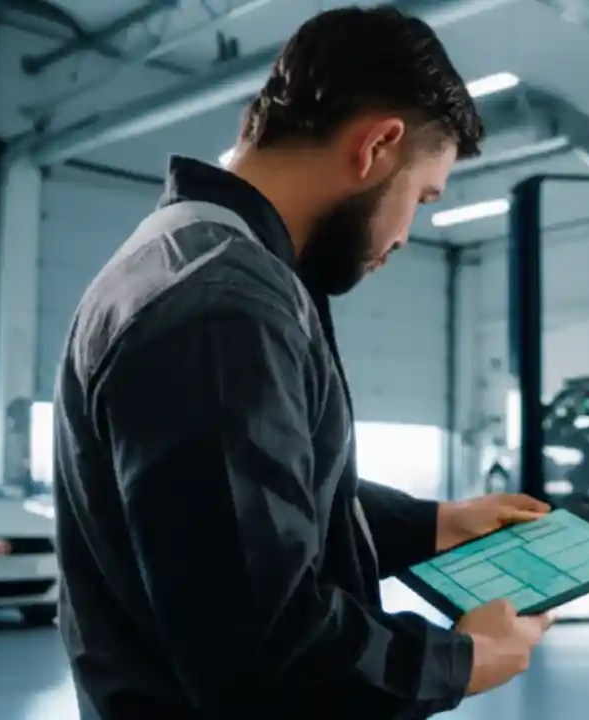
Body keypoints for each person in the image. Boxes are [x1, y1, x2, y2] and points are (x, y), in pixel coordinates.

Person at [52, 7, 553, 719]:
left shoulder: (193, 254)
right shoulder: (223, 309)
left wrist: (435, 524)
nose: (406, 235)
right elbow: (264, 647)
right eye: (422, 196)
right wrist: (461, 660)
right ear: (378, 145)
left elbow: (242, 507)